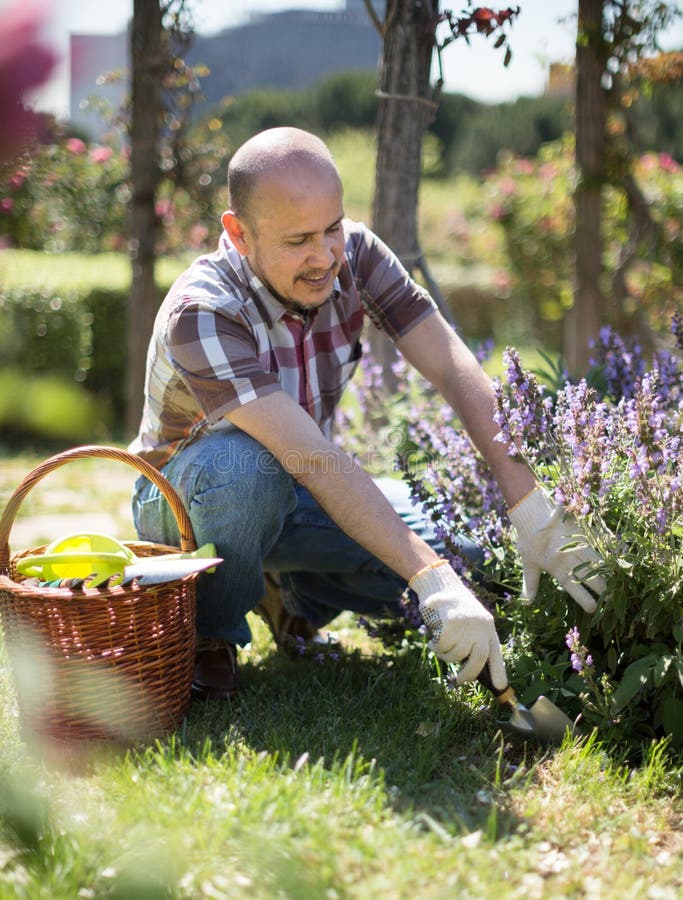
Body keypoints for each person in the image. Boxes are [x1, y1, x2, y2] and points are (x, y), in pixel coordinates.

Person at [129, 127, 605, 701]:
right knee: (247, 469)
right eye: (298, 239)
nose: (325, 255)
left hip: (298, 487)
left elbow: (453, 366)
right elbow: (313, 458)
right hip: (190, 500)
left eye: (332, 227)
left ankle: (292, 593)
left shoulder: (355, 254)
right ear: (239, 233)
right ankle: (208, 633)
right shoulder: (203, 311)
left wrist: (530, 506)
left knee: (474, 558)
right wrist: (430, 578)